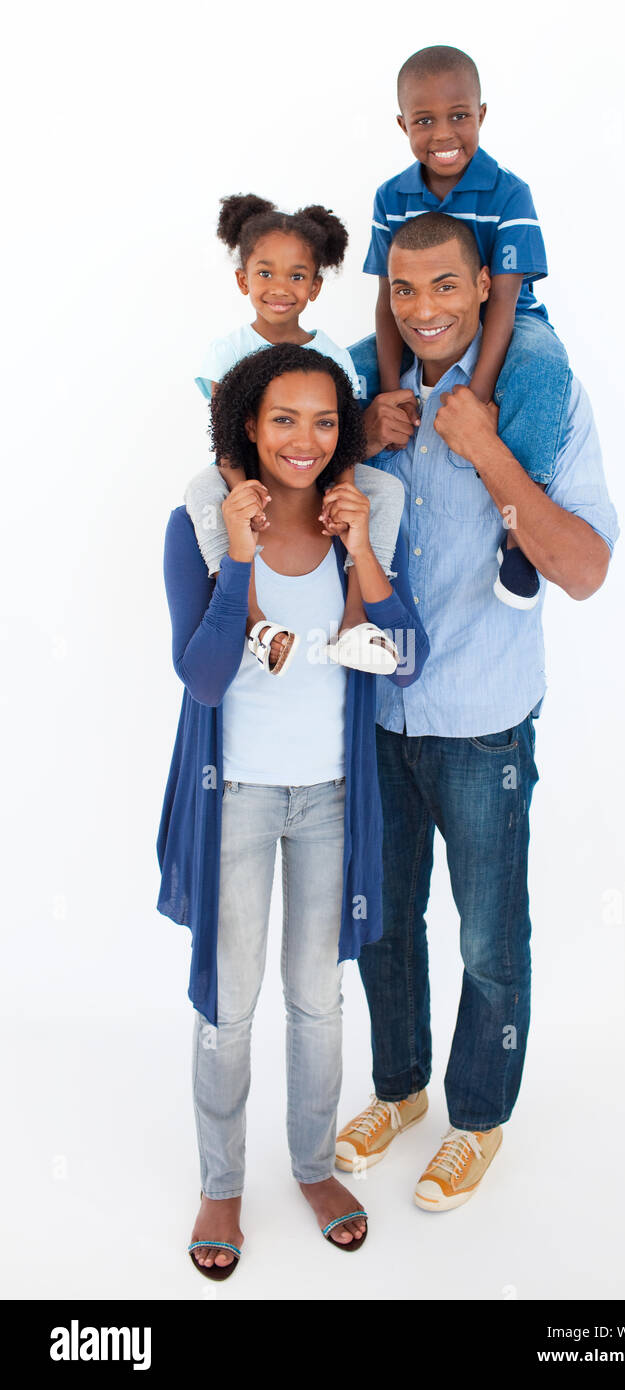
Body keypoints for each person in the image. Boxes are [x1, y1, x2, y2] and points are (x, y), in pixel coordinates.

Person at [335, 213, 619, 1214]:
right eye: (403, 292)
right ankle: (399, 1089)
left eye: (445, 288)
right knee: (379, 923)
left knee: (488, 941)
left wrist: (485, 450)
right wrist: (360, 428)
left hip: (484, 722)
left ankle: (477, 1118)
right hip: (371, 716)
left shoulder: (536, 393)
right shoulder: (367, 392)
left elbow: (581, 568)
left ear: (486, 288)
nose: (423, 313)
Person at [156, 344, 429, 1276]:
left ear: (342, 431)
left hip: (330, 799)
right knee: (229, 1008)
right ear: (247, 426)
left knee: (318, 1002)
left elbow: (408, 658)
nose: (304, 440)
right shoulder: (200, 527)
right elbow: (200, 677)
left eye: (323, 420)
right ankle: (222, 1182)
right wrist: (241, 560)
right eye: (282, 419)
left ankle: (312, 1166)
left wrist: (357, 551)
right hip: (232, 799)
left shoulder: (364, 519)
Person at [350, 44, 572, 611]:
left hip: (508, 317)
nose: (443, 133)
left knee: (543, 363)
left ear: (481, 114)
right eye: (424, 120)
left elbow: (500, 297)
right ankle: (355, 497)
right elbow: (386, 300)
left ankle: (521, 535)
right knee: (336, 366)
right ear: (402, 124)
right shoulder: (390, 196)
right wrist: (386, 387)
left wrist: (474, 395)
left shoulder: (509, 191)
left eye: (459, 116)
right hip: (421, 322)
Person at [187, 193, 404, 675]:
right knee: (201, 491)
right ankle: (255, 621)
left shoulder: (333, 354)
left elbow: (340, 432)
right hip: (245, 469)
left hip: (313, 471)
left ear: (316, 288)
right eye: (265, 273)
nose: (279, 287)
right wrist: (242, 488)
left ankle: (354, 623)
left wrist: (345, 488)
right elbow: (226, 438)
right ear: (243, 279)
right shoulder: (228, 350)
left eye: (297, 276)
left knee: (384, 490)